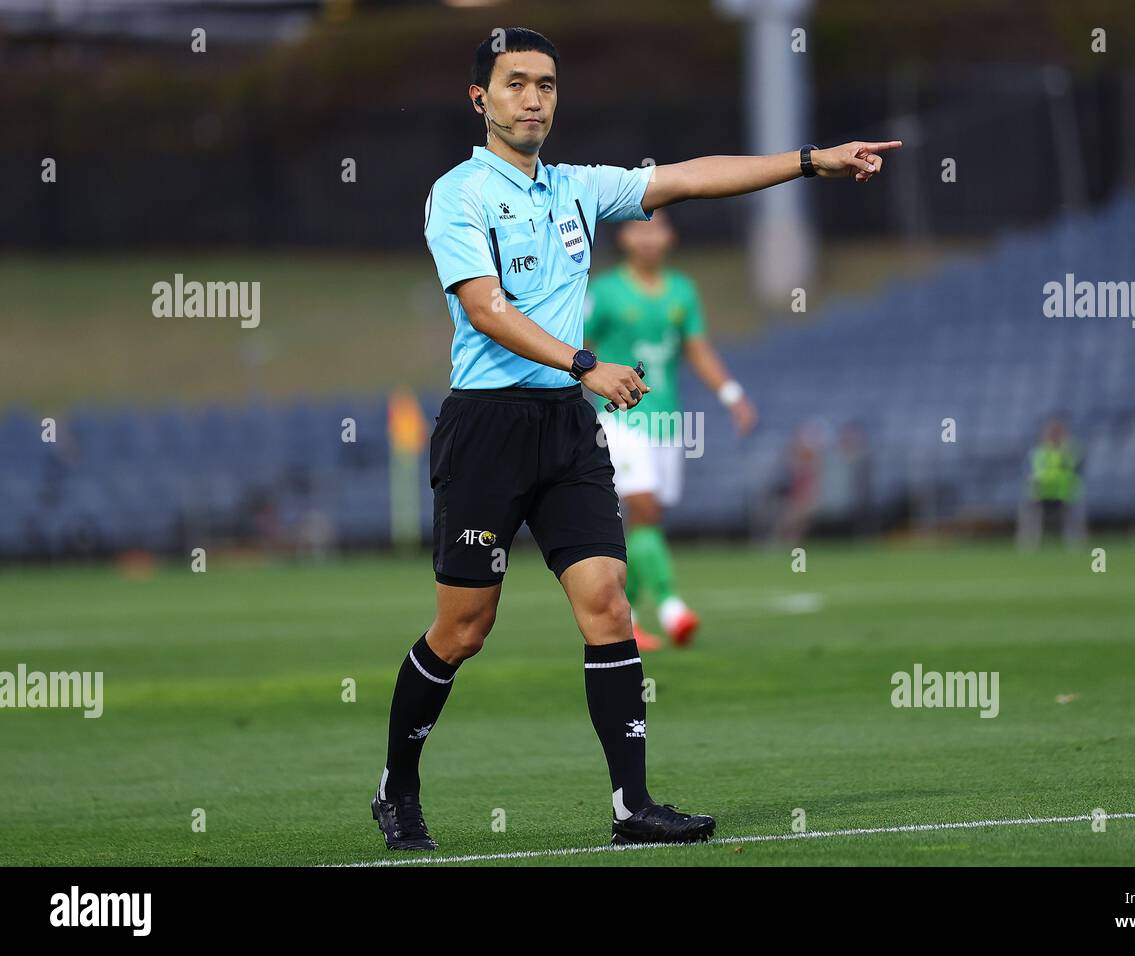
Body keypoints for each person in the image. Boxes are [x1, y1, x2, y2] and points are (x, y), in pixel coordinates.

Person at [374, 26, 901, 852]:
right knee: (465, 628)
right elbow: (485, 310)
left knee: (609, 602)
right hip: (486, 426)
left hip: (566, 428)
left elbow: (689, 179)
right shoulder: (459, 194)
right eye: (515, 84)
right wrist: (586, 361)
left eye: (546, 83)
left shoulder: (579, 187)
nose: (533, 97)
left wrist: (808, 161)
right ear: (480, 99)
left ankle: (633, 806)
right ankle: (396, 786)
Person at [584, 210, 757, 651]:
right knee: (642, 508)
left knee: (649, 519)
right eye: (639, 228)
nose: (648, 237)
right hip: (620, 417)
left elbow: (697, 350)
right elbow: (576, 346)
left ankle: (629, 619)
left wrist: (732, 395)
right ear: (624, 236)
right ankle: (671, 606)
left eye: (655, 228)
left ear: (669, 236)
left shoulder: (682, 291)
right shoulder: (604, 292)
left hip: (666, 420)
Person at [1017, 417, 1086, 550]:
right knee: (1028, 505)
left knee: (1076, 505)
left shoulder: (1071, 450)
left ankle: (1075, 544)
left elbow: (1076, 470)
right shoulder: (1039, 451)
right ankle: (1028, 544)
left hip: (1064, 492)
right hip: (1042, 492)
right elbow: (1031, 473)